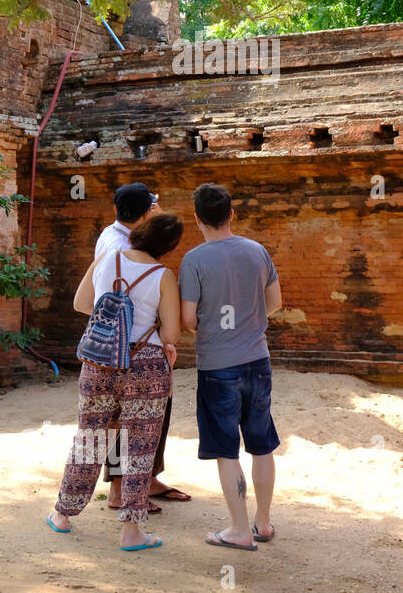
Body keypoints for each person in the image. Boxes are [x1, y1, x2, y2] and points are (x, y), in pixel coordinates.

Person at [48, 213, 184, 551]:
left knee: (91, 439)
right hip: (145, 367)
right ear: (168, 247)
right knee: (139, 447)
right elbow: (171, 333)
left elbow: (82, 304)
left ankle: (63, 515)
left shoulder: (107, 259)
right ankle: (131, 532)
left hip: (101, 361)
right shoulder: (163, 275)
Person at [179, 183, 283, 552]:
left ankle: (239, 529)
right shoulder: (257, 251)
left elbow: (189, 318)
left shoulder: (193, 260)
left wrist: (211, 324)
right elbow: (274, 303)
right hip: (258, 361)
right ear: (231, 214)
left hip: (218, 367)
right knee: (262, 443)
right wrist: (247, 322)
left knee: (226, 449)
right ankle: (264, 523)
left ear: (197, 219)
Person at [95, 182, 192, 512]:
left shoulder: (125, 243)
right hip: (125, 349)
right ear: (148, 212)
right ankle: (120, 489)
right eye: (155, 207)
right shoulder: (117, 248)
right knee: (126, 420)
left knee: (150, 416)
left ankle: (146, 478)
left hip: (134, 347)